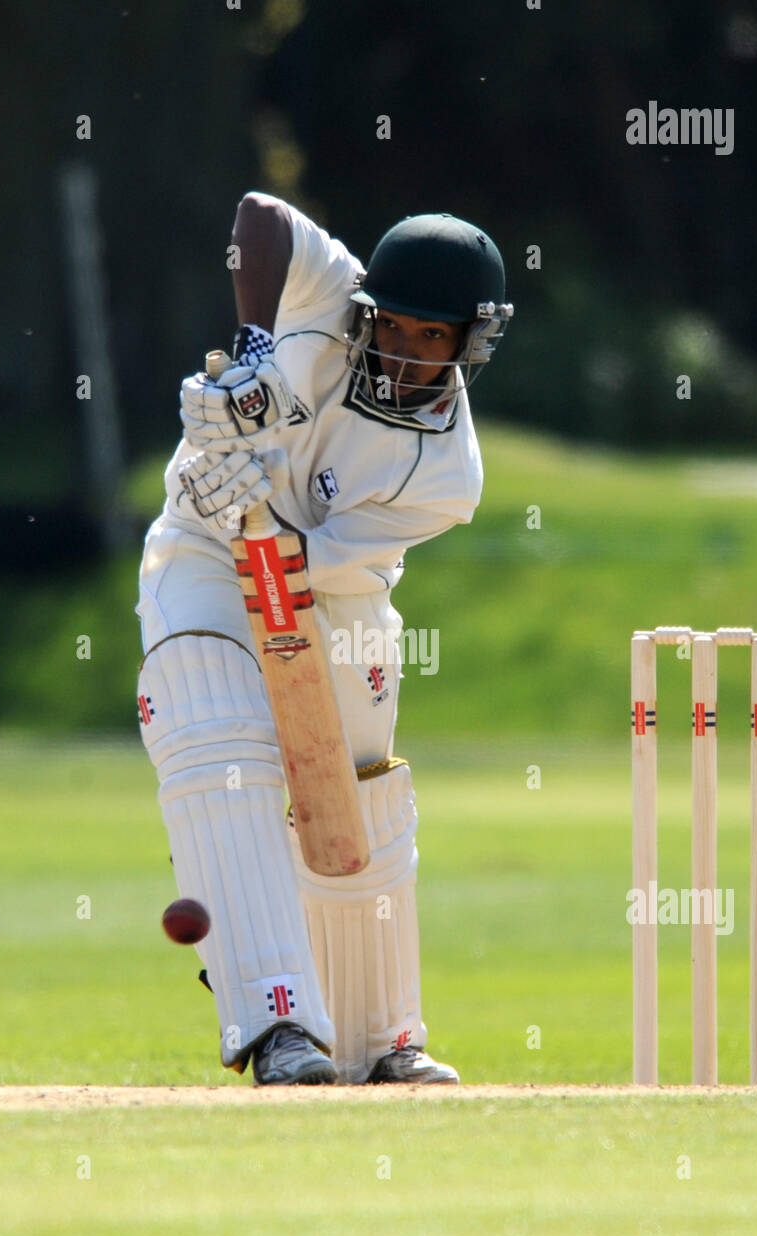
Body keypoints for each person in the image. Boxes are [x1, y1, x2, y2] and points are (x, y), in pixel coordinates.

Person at [136, 192, 512, 1085]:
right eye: (399, 327)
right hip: (202, 558)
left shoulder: (447, 474)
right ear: (368, 309)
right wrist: (256, 352)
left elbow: (297, 567)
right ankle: (278, 1028)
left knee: (357, 790)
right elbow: (259, 216)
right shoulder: (326, 295)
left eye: (436, 338)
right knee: (213, 733)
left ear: (470, 343)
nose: (410, 353)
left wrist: (243, 484)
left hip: (333, 589)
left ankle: (383, 1038)